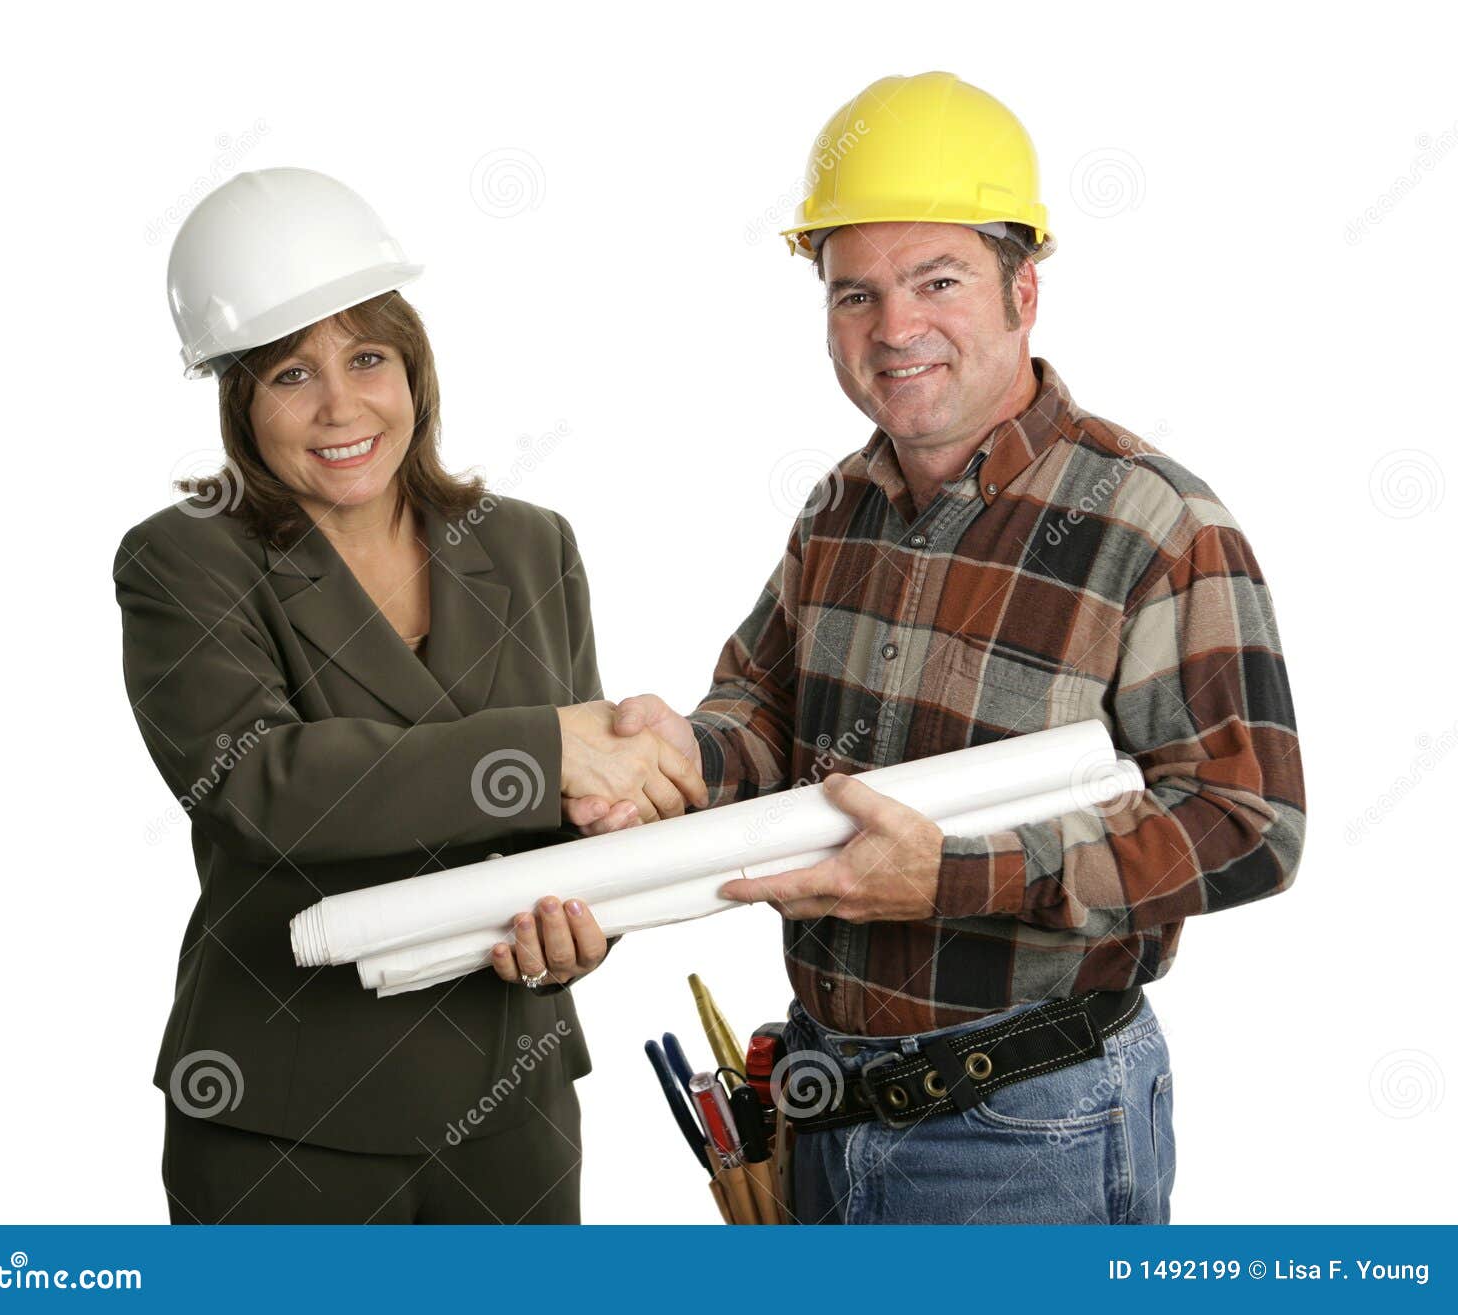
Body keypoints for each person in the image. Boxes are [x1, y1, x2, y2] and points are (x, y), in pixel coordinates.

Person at [575, 73, 1305, 1224]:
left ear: (1024, 289)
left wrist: (960, 877)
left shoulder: (1154, 524)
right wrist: (682, 759)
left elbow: (1248, 825)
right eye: (854, 294)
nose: (893, 329)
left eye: (937, 281)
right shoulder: (839, 510)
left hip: (1024, 1126)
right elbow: (761, 717)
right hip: (822, 1102)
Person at [113, 167, 705, 1224]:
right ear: (238, 399)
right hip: (285, 1116)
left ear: (414, 370)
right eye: (291, 374)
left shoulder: (527, 545)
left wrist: (588, 918)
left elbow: (575, 832)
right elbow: (261, 789)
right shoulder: (186, 561)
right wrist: (546, 748)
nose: (343, 405)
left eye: (368, 357)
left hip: (508, 1102)